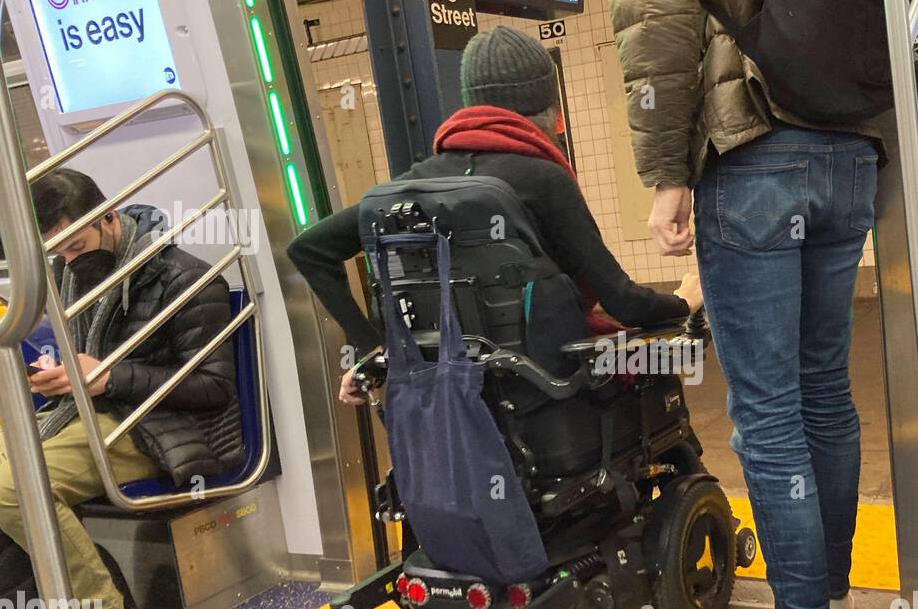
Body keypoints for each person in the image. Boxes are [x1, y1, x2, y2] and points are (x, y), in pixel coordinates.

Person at [604, 0, 887, 609]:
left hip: (755, 144)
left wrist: (664, 176)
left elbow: (655, 22)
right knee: (824, 394)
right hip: (849, 149)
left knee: (767, 415)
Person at [287, 26, 702, 407]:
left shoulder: (419, 183)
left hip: (452, 397)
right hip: (551, 394)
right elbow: (623, 302)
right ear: (547, 106)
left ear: (470, 99)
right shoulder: (543, 177)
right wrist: (682, 300)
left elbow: (308, 249)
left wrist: (373, 349)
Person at [0, 169, 242, 609]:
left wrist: (107, 375)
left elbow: (214, 389)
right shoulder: (68, 278)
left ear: (110, 216)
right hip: (92, 413)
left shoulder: (189, 279)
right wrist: (62, 374)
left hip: (157, 428)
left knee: (13, 487)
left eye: (76, 245)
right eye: (57, 253)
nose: (69, 260)